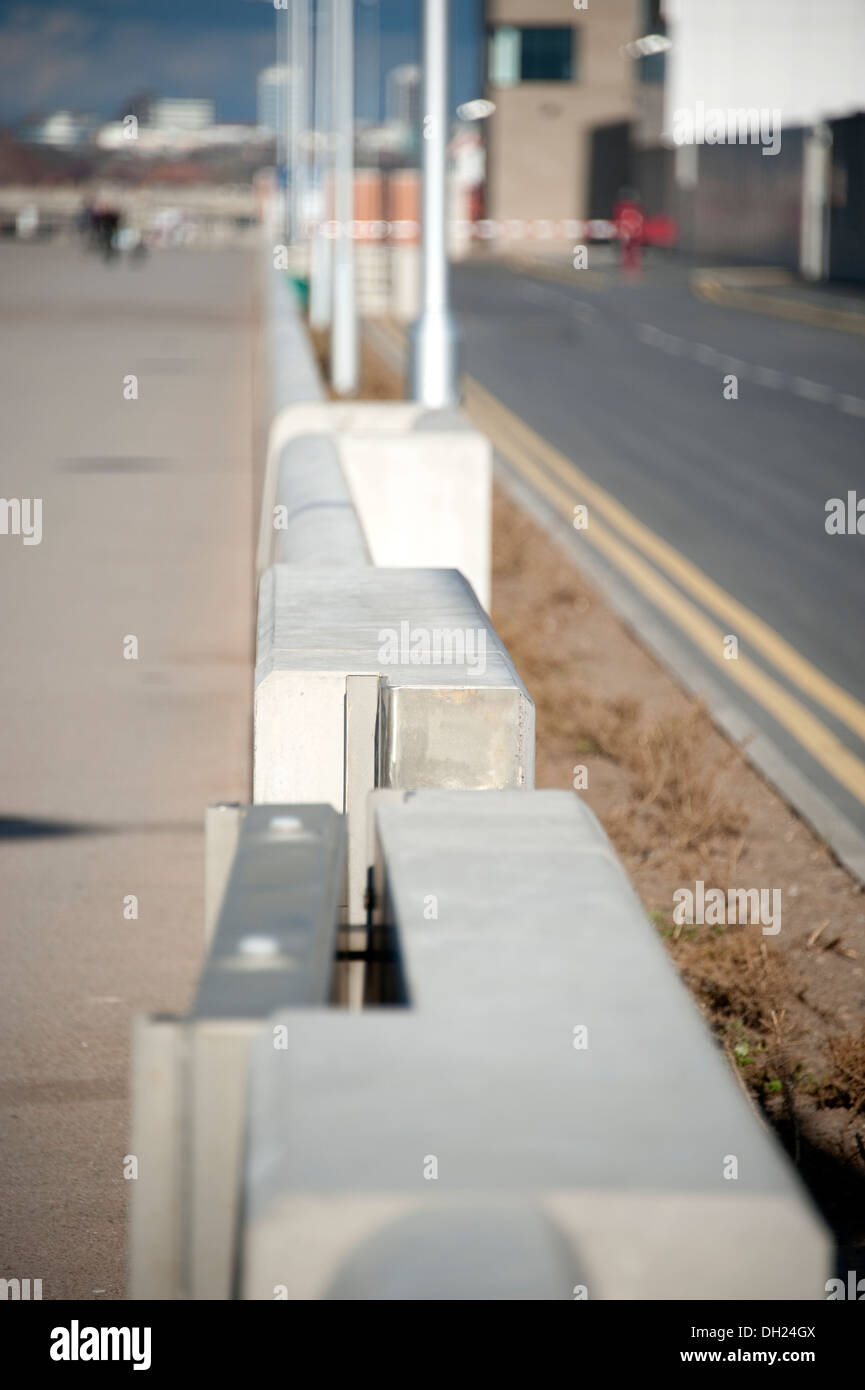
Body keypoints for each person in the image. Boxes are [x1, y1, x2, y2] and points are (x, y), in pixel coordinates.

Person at [612, 187, 646, 274]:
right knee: (631, 250)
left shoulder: (623, 208)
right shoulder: (634, 208)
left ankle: (629, 266)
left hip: (629, 232)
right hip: (632, 232)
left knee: (628, 249)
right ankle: (631, 266)